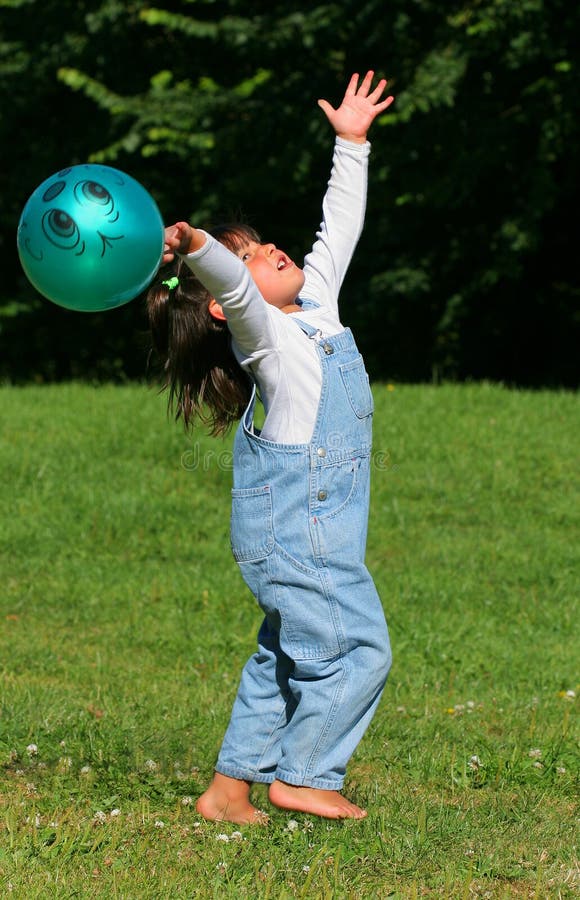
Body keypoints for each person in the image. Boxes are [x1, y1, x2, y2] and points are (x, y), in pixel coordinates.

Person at [147, 71, 394, 822]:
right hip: (303, 539)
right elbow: (240, 291)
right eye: (248, 255)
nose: (269, 250)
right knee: (357, 650)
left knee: (283, 655)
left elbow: (337, 229)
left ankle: (229, 791)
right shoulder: (269, 343)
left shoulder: (317, 304)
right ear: (224, 305)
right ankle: (307, 773)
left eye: (258, 244)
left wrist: (350, 143)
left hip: (297, 534)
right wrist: (196, 247)